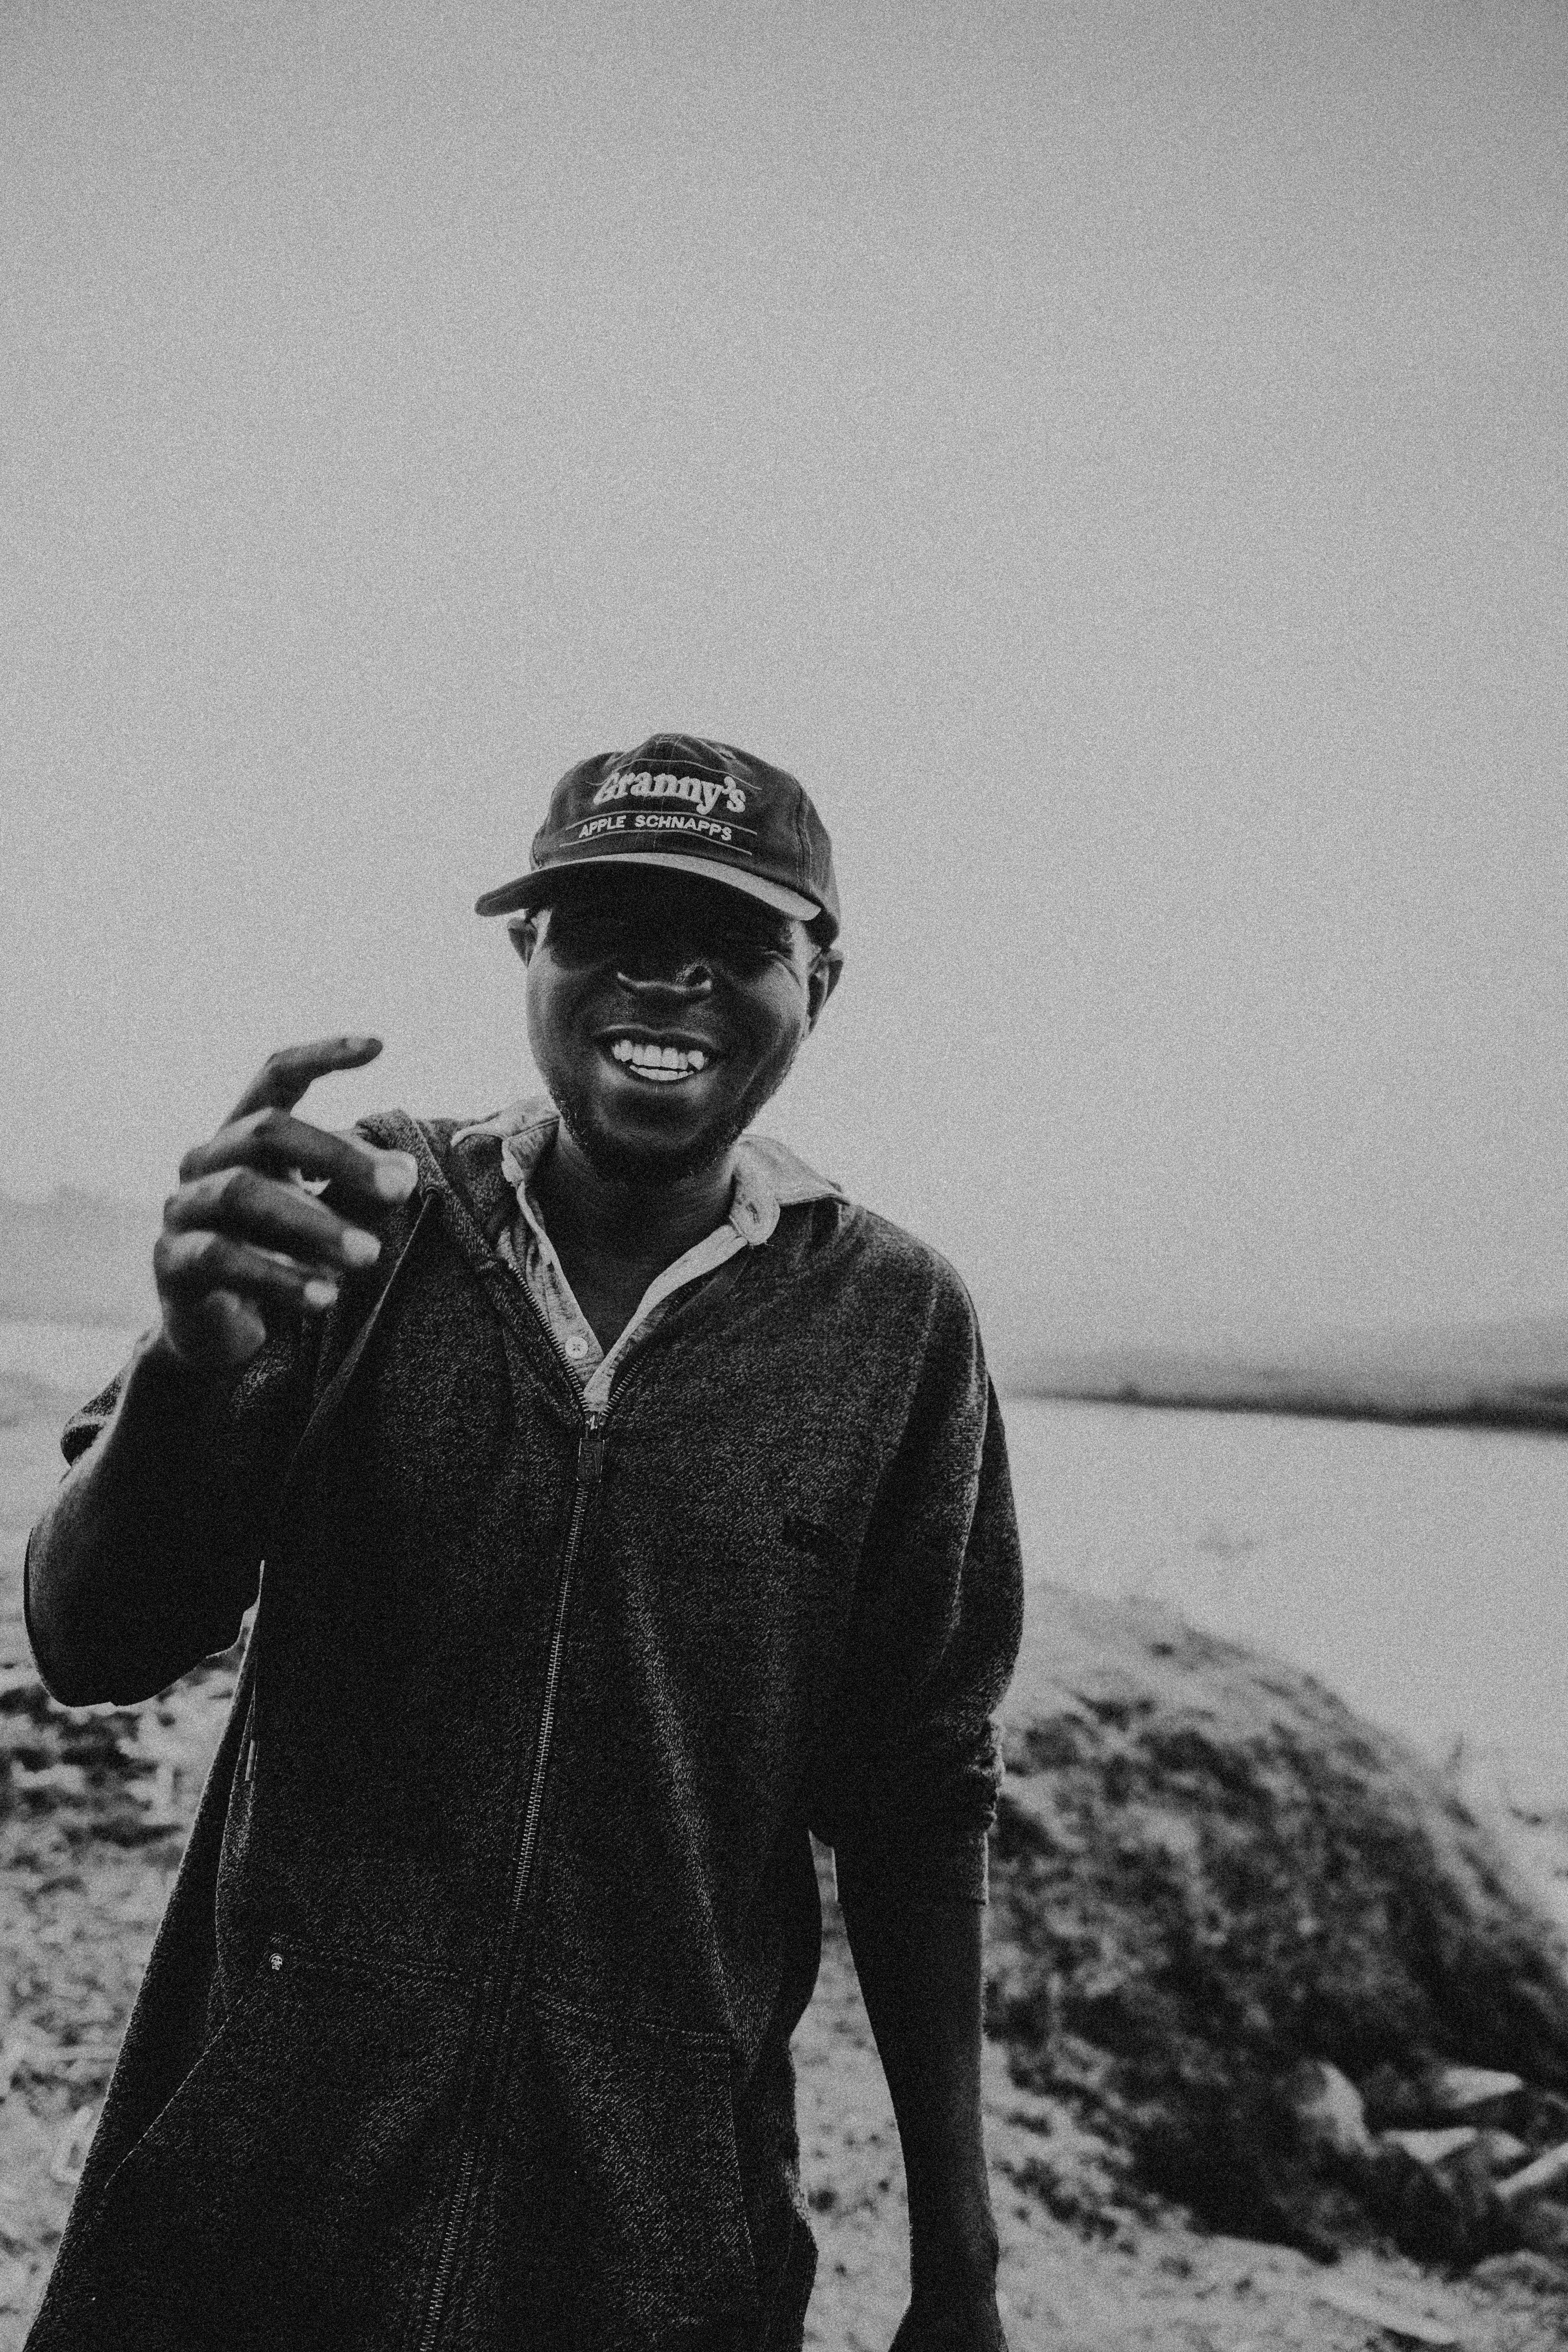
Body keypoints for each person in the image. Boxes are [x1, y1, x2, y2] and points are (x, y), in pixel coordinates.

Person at [23, 733, 1024, 2352]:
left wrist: (957, 2269)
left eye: (739, 939)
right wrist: (186, 1380)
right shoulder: (353, 1226)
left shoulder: (891, 1328)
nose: (668, 975)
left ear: (819, 980)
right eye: (605, 922)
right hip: (256, 2200)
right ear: (527, 955)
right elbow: (91, 1641)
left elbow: (918, 1797)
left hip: (646, 2251)